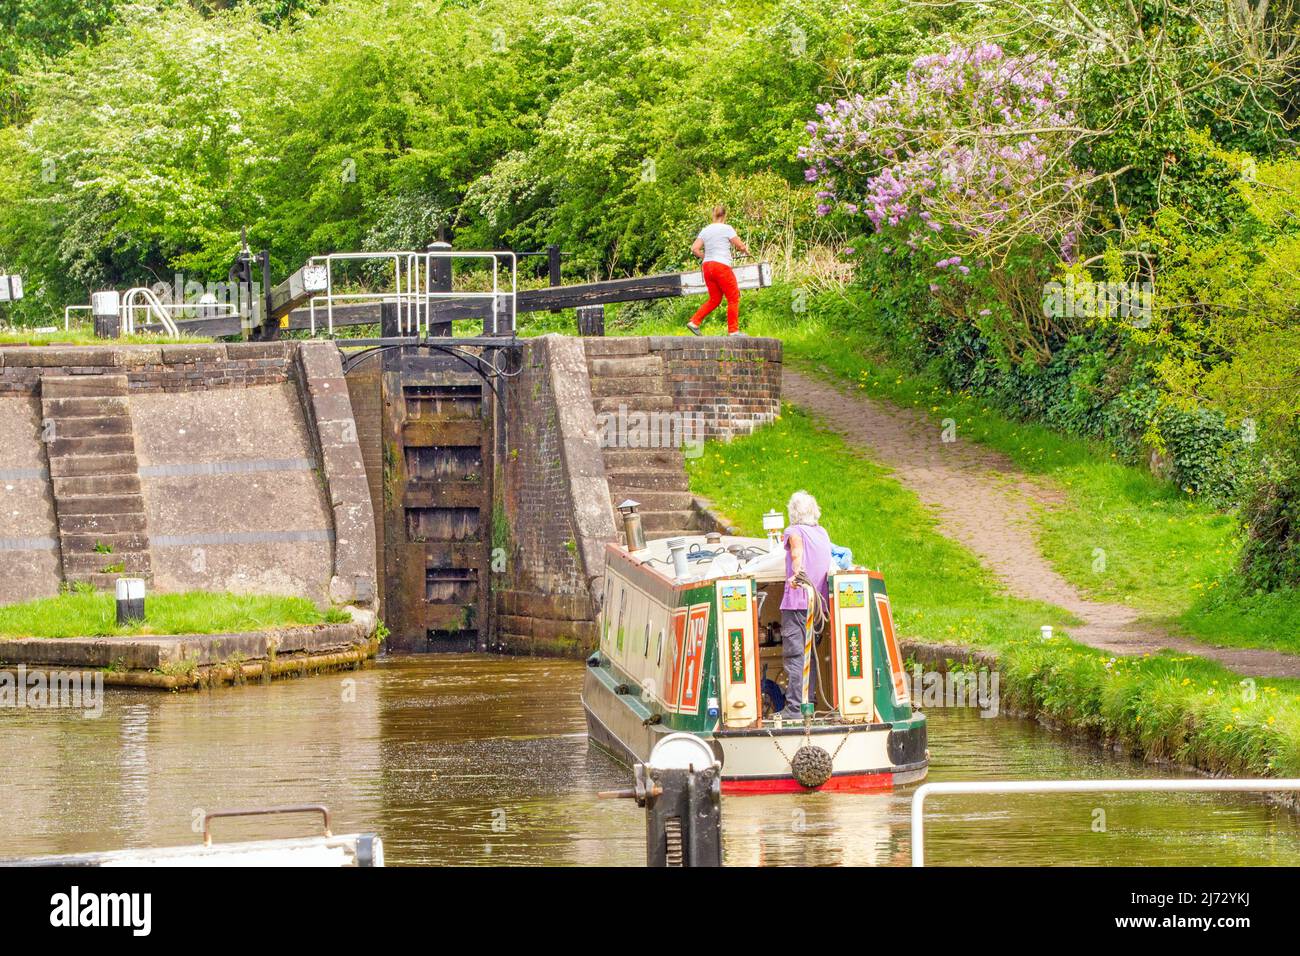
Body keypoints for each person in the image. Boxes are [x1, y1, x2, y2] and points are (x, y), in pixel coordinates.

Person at [773, 490, 832, 721]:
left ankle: (795, 709)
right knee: (811, 656)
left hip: (797, 602)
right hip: (818, 606)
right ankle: (809, 703)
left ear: (793, 513)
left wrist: (796, 574)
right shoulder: (822, 532)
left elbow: (796, 550)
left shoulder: (793, 531)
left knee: (795, 656)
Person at [686, 205, 751, 336]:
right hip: (721, 266)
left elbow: (694, 249)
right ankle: (733, 331)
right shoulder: (727, 228)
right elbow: (739, 245)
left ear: (713, 215)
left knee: (715, 299)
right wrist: (745, 250)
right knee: (733, 297)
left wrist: (706, 256)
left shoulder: (705, 230)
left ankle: (694, 321)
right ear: (724, 216)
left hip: (707, 267)